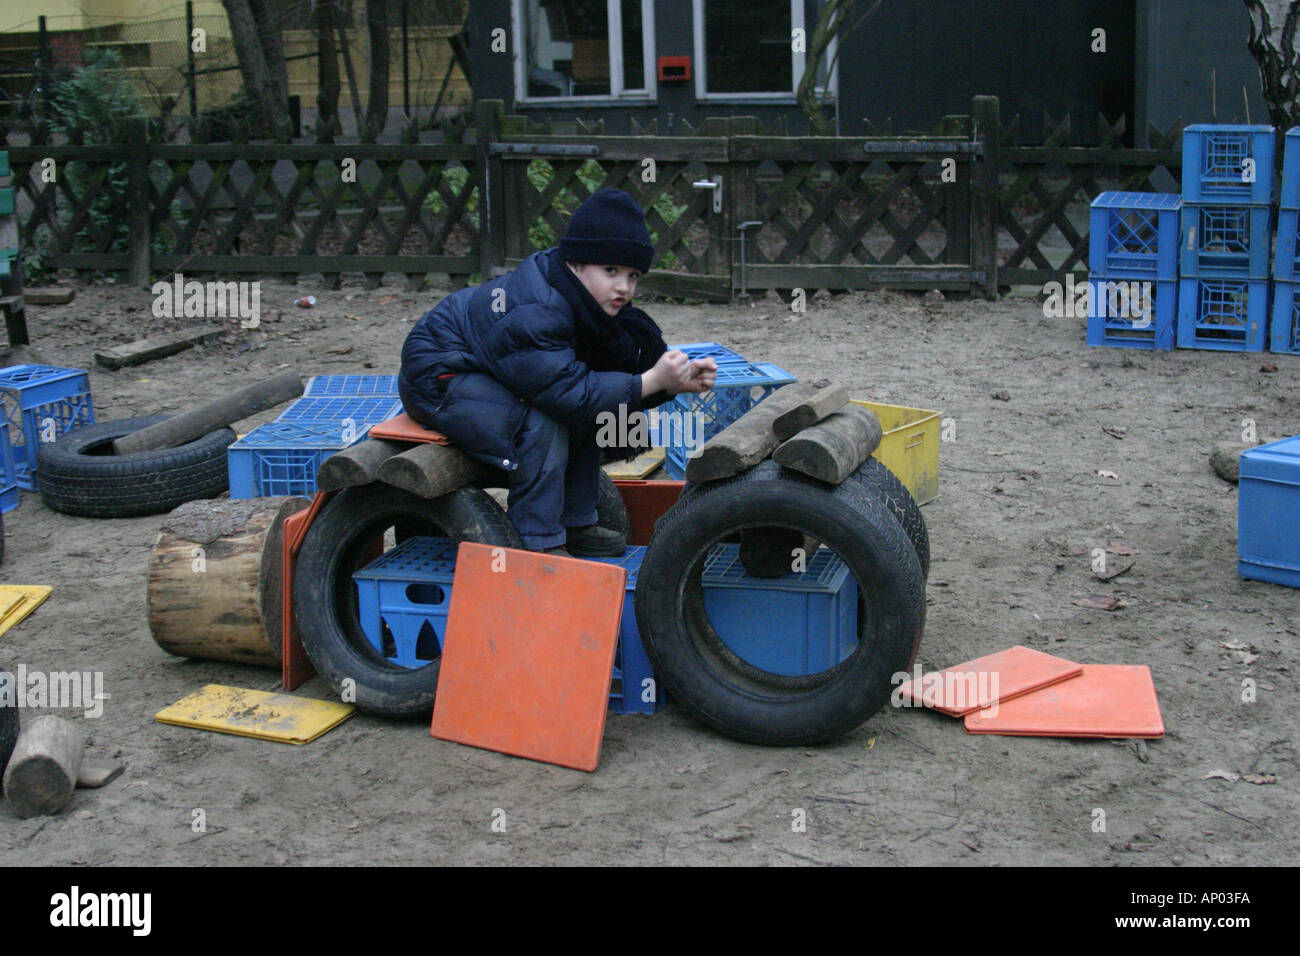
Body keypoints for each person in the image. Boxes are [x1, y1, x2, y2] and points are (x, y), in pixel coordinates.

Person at [398, 188, 717, 556]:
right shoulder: (538, 310)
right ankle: (539, 543)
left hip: (493, 367)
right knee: (541, 423)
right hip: (440, 374)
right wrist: (650, 381)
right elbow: (568, 393)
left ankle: (576, 523)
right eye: (610, 270)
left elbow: (594, 389)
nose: (623, 287)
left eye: (632, 275)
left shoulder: (585, 304)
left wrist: (672, 382)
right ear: (577, 262)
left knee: (585, 416)